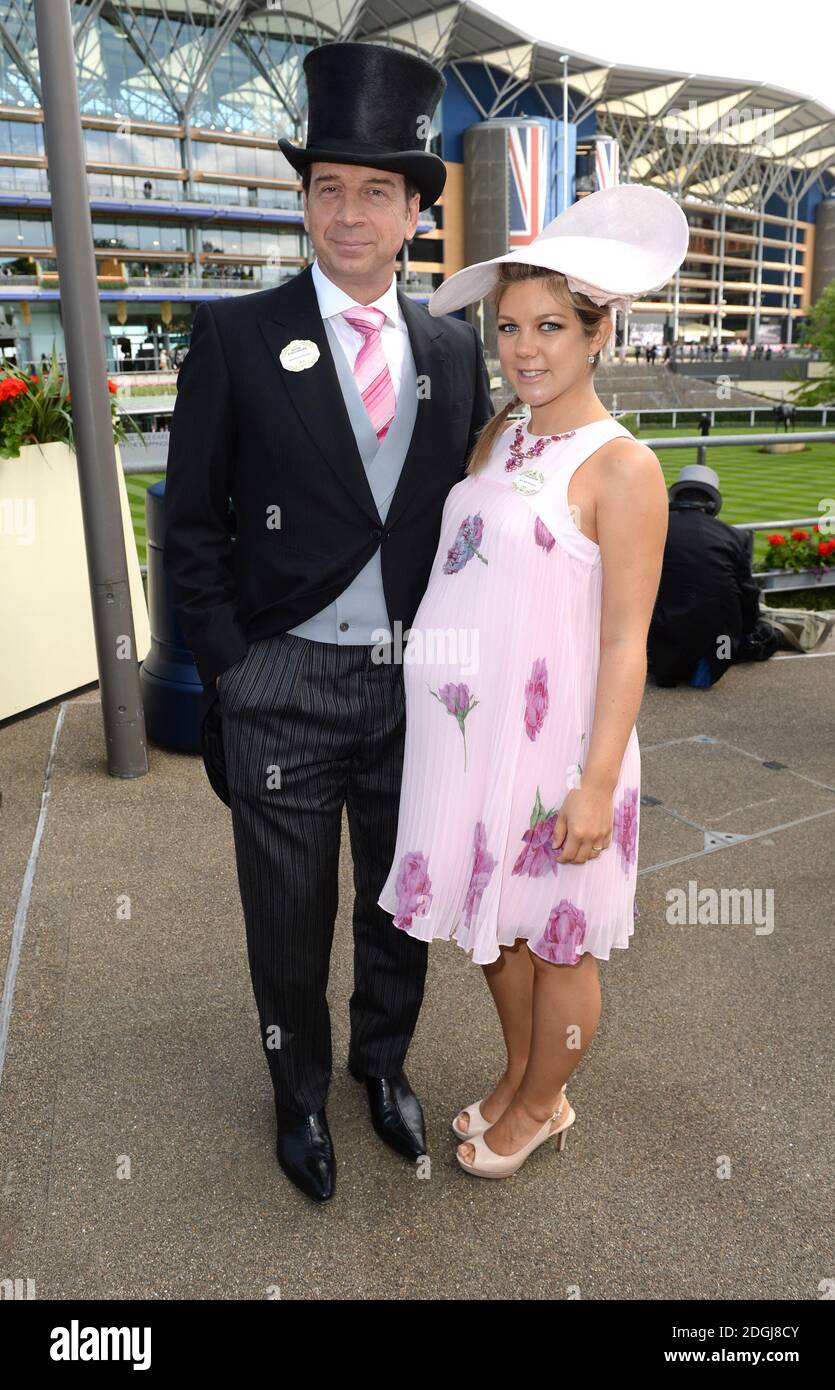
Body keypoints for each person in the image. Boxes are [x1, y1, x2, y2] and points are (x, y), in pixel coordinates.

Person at [163, 41, 493, 1204]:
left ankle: (381, 1066)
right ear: (304, 200)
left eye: (374, 191)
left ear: (413, 212)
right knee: (288, 922)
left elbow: (470, 527)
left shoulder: (457, 352)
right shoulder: (236, 337)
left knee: (401, 902)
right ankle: (296, 1091)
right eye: (326, 187)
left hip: (416, 688)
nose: (347, 213)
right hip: (282, 682)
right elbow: (189, 527)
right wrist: (235, 673)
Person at [377, 184, 690, 1178]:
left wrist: (596, 783)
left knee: (559, 940)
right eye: (509, 326)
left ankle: (549, 1098)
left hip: (557, 753)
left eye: (552, 326)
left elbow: (626, 643)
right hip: (468, 745)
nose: (525, 348)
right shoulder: (499, 436)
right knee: (497, 932)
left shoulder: (622, 467)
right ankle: (520, 1078)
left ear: (600, 332)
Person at [646, 465, 772, 687]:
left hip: (661, 637)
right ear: (712, 504)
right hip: (719, 641)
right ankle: (707, 665)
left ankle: (669, 665)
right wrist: (751, 630)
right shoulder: (735, 536)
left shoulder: (653, 529)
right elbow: (748, 594)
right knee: (746, 635)